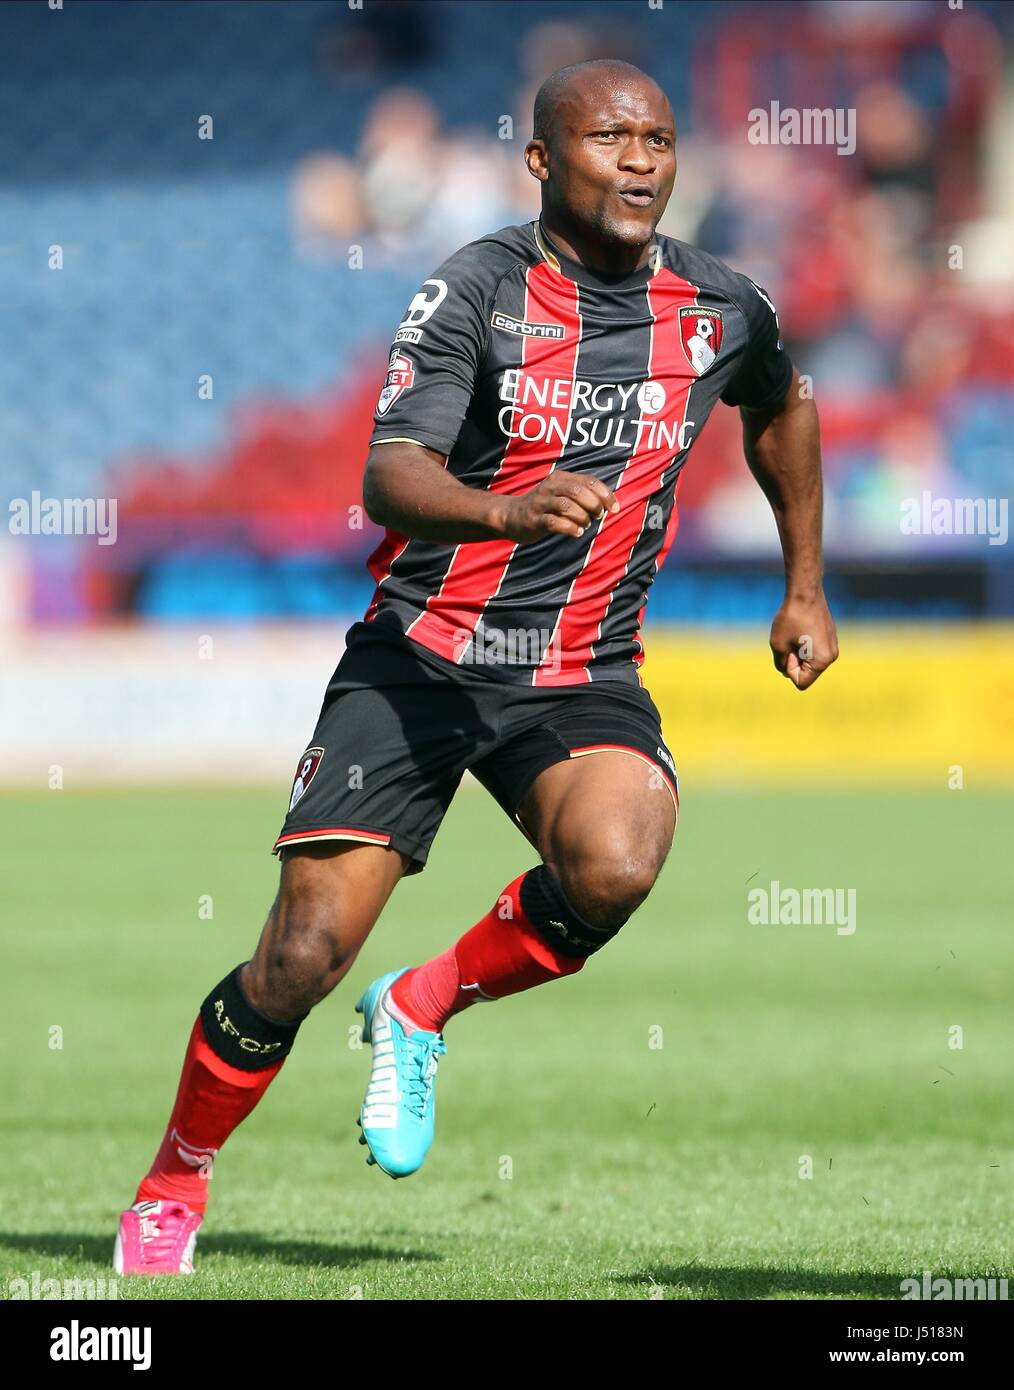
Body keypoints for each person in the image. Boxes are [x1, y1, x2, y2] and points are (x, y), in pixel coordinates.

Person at [114, 58, 838, 1276]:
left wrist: (804, 581)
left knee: (616, 862)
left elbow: (784, 407)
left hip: (580, 666)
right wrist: (506, 513)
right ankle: (174, 1177)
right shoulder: (474, 293)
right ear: (544, 163)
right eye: (610, 137)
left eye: (658, 137)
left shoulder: (721, 304)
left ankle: (423, 1003)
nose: (643, 159)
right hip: (424, 660)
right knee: (298, 955)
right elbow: (387, 475)